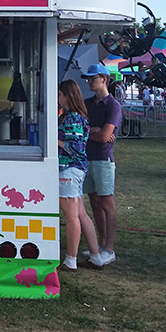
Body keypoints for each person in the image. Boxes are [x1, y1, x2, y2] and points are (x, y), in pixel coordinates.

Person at [57, 80, 103, 272]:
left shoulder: (72, 118)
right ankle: (95, 256)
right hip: (75, 170)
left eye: (60, 94)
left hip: (69, 169)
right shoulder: (73, 116)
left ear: (68, 96)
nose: (57, 98)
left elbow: (74, 148)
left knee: (71, 216)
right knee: (80, 214)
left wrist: (56, 141)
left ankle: (71, 259)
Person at [81, 63, 121, 264]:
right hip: (88, 157)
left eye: (92, 78)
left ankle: (109, 248)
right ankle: (101, 246)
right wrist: (95, 132)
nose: (89, 81)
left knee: (106, 204)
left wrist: (94, 132)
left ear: (104, 79)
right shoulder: (87, 103)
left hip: (103, 159)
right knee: (95, 202)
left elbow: (105, 136)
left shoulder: (113, 105)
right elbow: (82, 129)